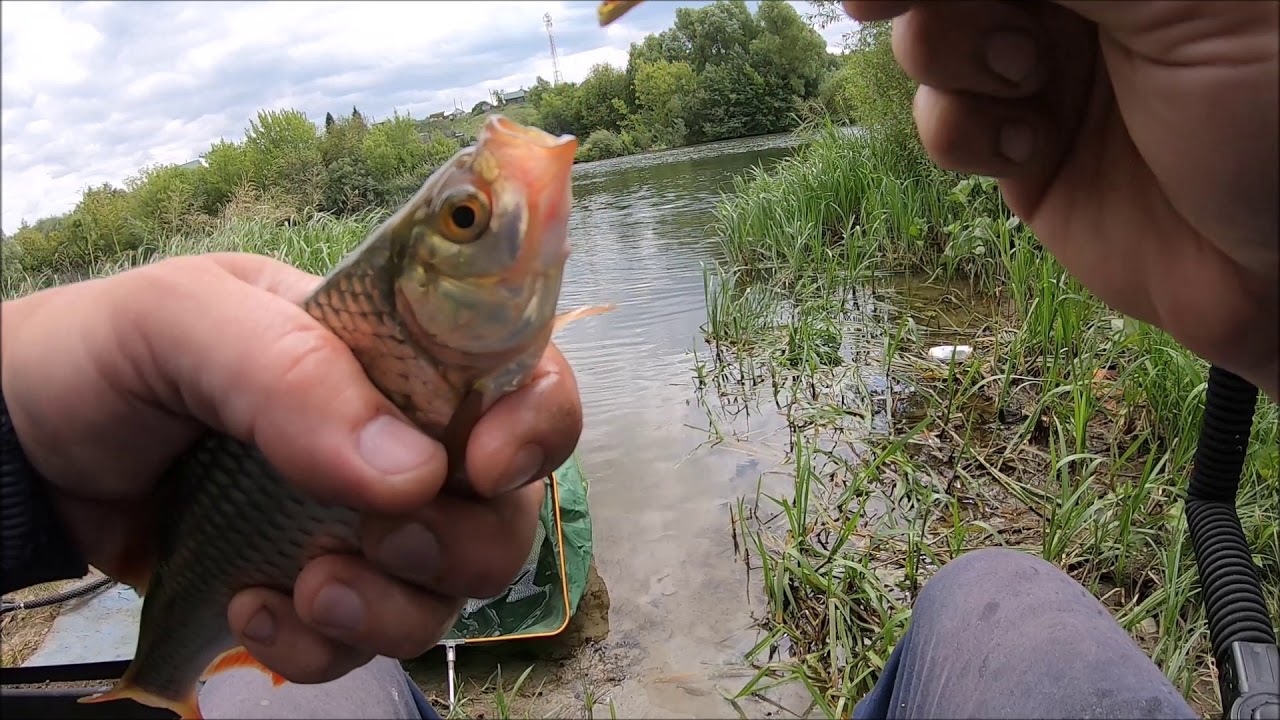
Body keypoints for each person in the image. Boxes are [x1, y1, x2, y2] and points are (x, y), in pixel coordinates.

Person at [1, 0, 1274, 718]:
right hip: (203, 565)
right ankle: (161, 686)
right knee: (1004, 597)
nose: (498, 203)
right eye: (464, 222)